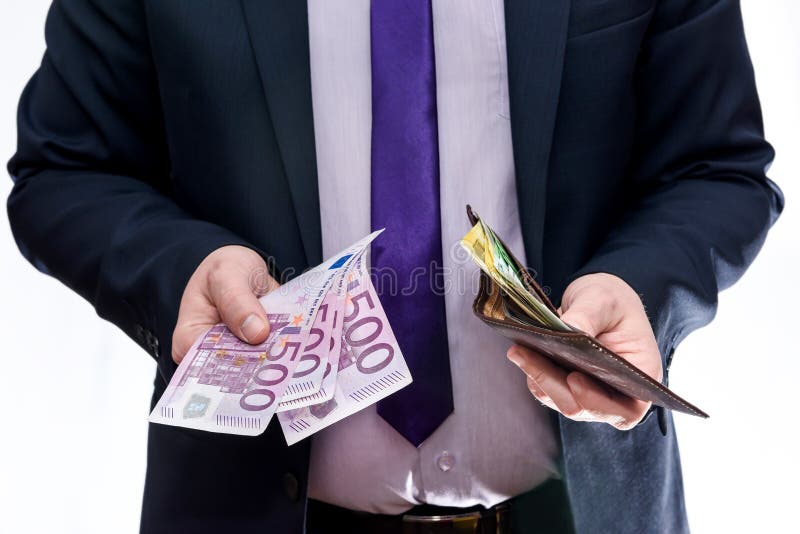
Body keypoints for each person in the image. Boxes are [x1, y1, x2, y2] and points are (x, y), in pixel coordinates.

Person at [7, 0, 783, 533]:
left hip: (581, 508)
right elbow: (67, 169)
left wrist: (638, 288)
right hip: (245, 507)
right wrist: (187, 268)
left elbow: (717, 165)